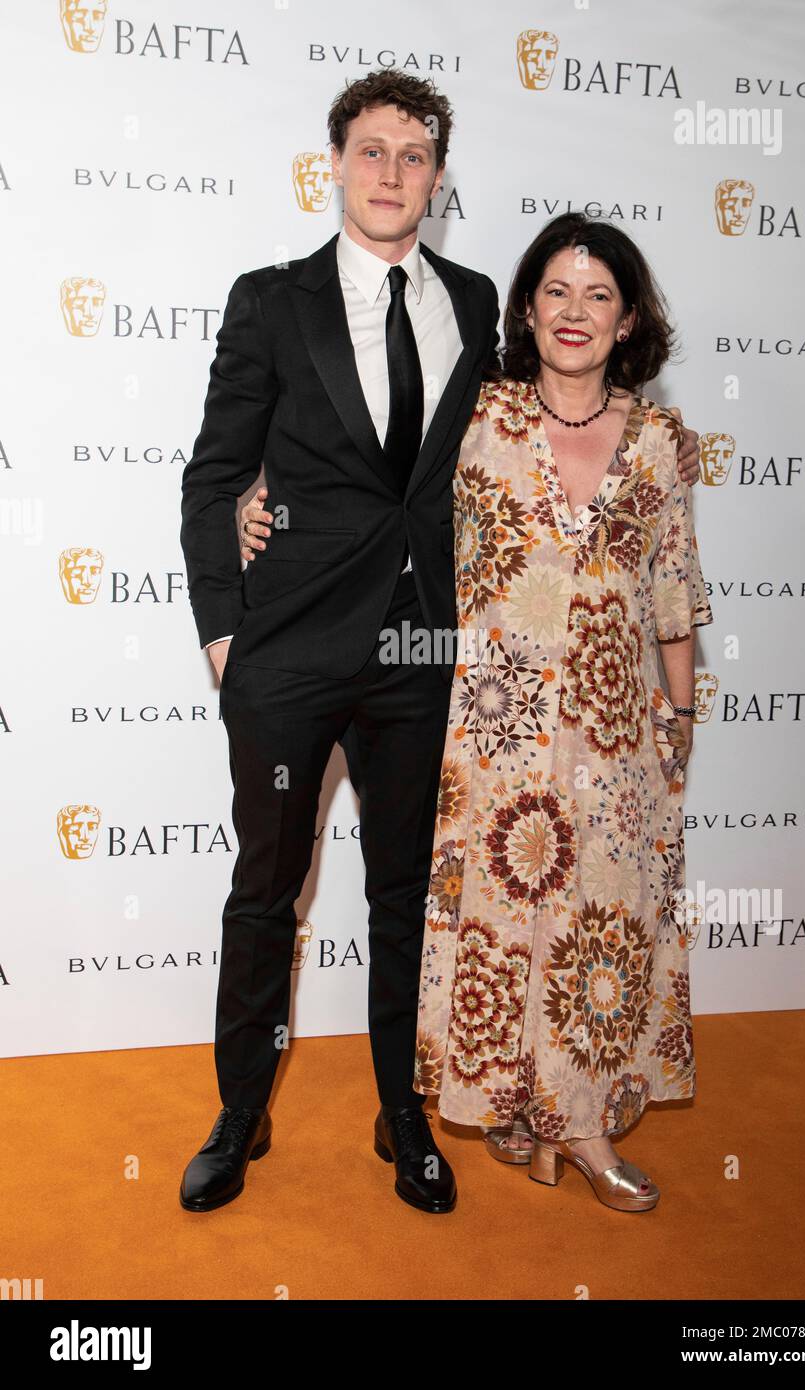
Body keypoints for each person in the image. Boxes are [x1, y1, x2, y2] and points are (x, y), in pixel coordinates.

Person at [183, 69, 701, 1216]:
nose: (390, 174)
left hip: (425, 659)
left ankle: (404, 1114)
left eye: (412, 157)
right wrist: (225, 630)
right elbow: (215, 474)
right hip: (284, 652)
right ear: (335, 165)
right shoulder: (269, 300)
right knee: (267, 891)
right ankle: (238, 1111)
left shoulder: (475, 305)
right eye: (370, 152)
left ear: (437, 176)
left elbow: (538, 449)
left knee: (405, 891)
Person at [411, 211, 712, 1211]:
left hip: (616, 735)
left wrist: (677, 725)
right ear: (527, 308)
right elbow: (372, 485)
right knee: (501, 922)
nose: (573, 311)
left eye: (597, 295)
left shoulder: (662, 442)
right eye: (555, 290)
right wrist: (261, 494)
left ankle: (579, 1125)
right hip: (493, 733)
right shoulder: (479, 418)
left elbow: (672, 592)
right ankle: (515, 1101)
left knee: (598, 923)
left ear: (627, 321)